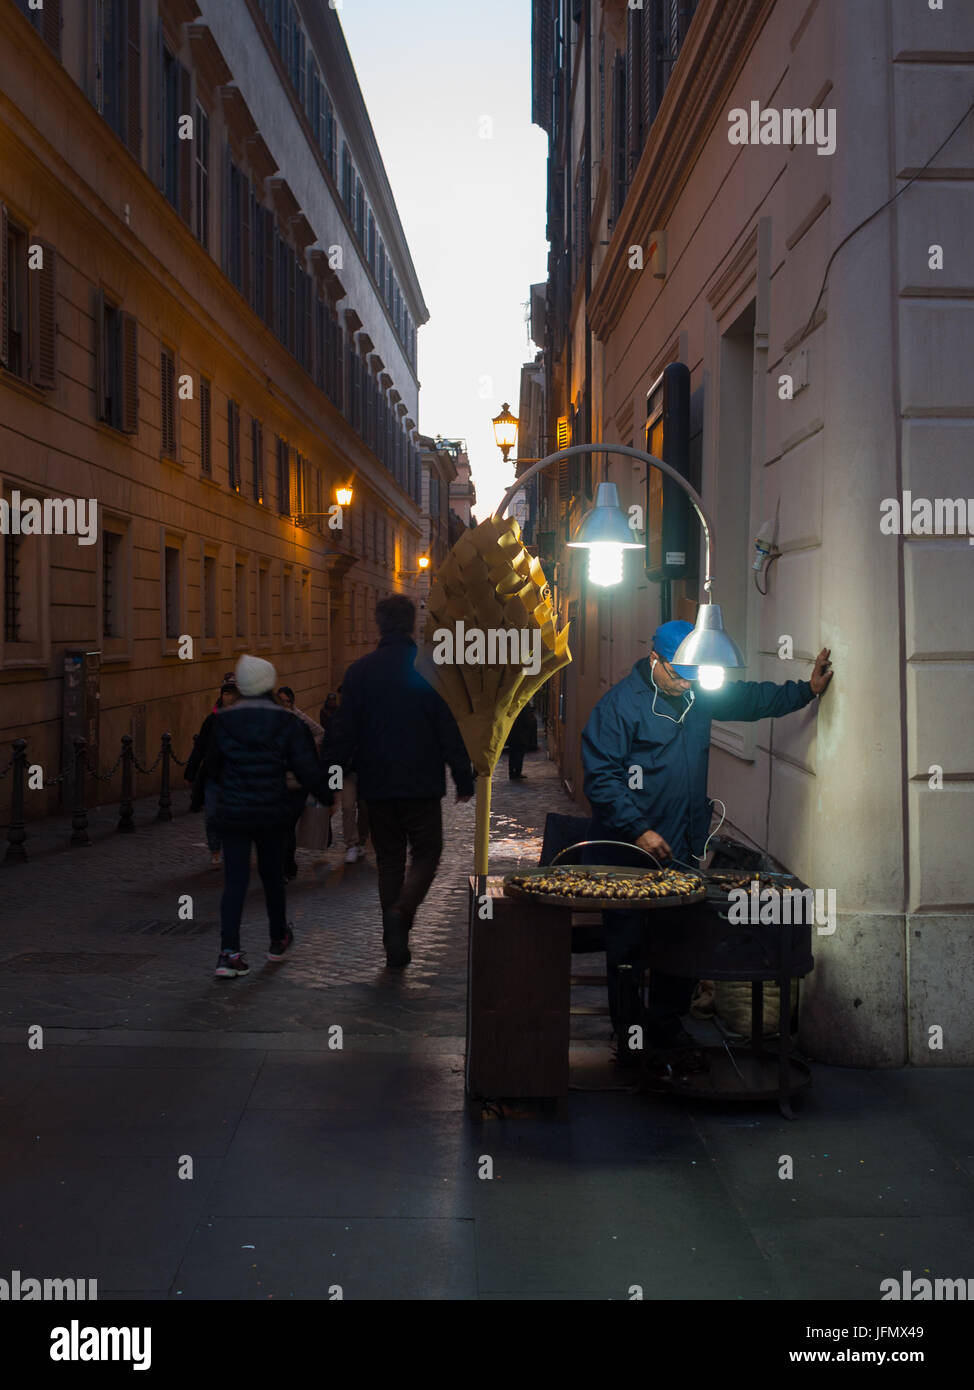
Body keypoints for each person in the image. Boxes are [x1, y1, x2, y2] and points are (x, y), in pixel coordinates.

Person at [581, 619, 834, 1060]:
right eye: (679, 675)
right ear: (655, 660)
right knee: (627, 947)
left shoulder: (694, 692)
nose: (686, 685)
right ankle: (630, 1036)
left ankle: (666, 1024)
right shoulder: (619, 706)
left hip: (678, 844)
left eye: (693, 676)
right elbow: (602, 779)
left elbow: (750, 698)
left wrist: (805, 691)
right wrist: (638, 829)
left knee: (678, 937)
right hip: (625, 851)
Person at [323, 595, 474, 967]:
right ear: (411, 625)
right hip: (421, 783)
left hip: (376, 784)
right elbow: (447, 727)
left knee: (389, 860)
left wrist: (327, 776)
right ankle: (403, 912)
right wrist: (461, 774)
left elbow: (342, 733)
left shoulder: (359, 673)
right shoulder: (430, 669)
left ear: (379, 624)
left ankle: (395, 942)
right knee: (427, 852)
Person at [204, 654, 332, 978]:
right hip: (271, 810)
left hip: (233, 812)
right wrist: (326, 792)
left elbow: (213, 767)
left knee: (235, 882)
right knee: (273, 878)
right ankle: (277, 939)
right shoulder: (286, 722)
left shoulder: (223, 720)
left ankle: (228, 952)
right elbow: (305, 766)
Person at [185, 680, 239, 864]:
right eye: (227, 694)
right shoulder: (212, 720)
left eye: (233, 694)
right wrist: (190, 772)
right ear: (221, 696)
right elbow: (200, 747)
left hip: (235, 778)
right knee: (212, 815)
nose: (230, 698)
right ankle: (215, 850)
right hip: (213, 776)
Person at [276, 686, 325, 879]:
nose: (284, 705)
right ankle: (286, 864)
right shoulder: (272, 724)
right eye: (281, 701)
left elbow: (320, 735)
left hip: (297, 785)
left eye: (287, 701)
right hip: (279, 785)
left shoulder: (300, 722)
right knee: (283, 826)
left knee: (288, 824)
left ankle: (287, 863)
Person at [507, 700, 537, 780]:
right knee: (519, 755)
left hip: (512, 735)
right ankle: (517, 773)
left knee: (512, 755)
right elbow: (527, 721)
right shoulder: (524, 707)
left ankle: (511, 773)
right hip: (521, 736)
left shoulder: (513, 705)